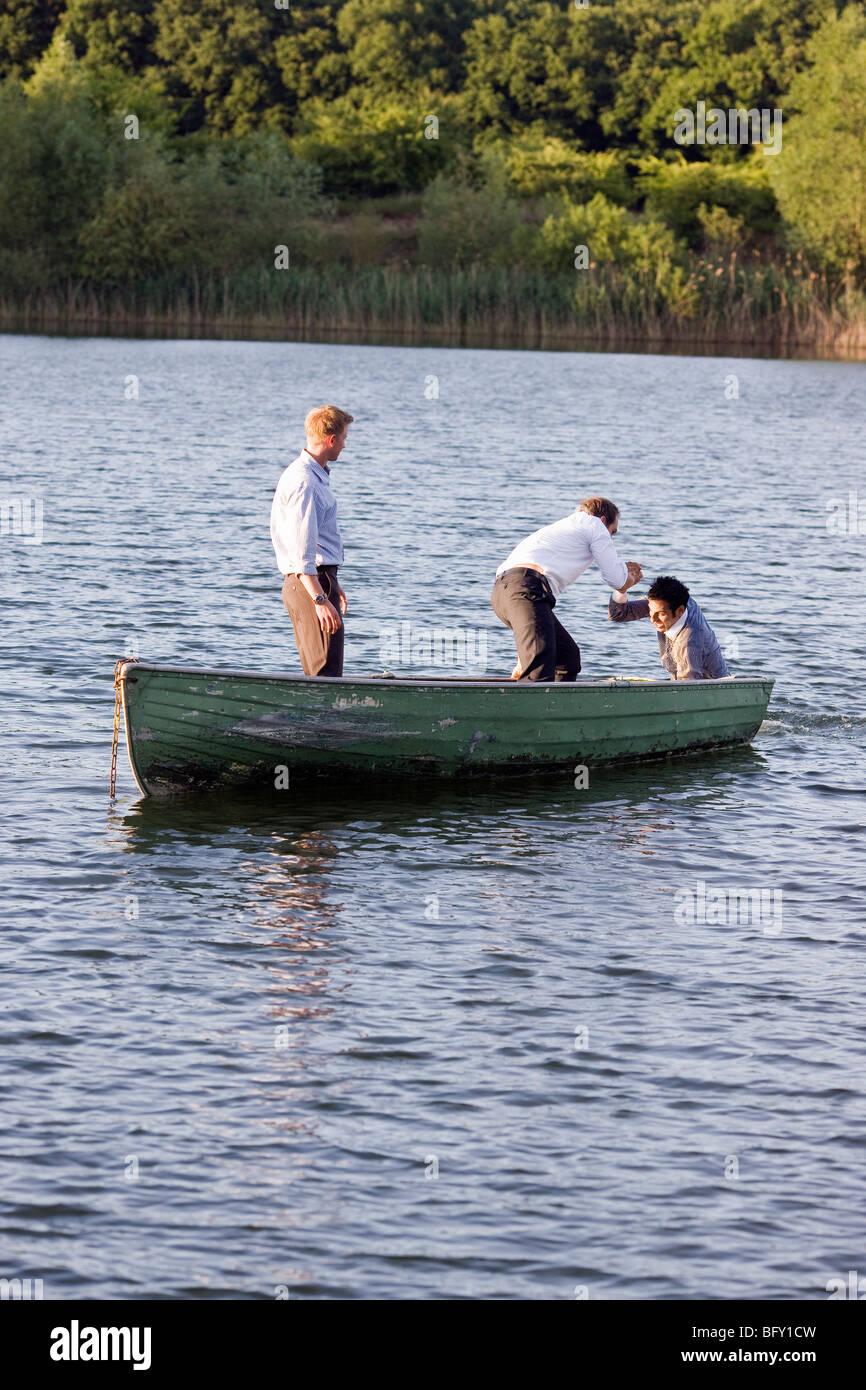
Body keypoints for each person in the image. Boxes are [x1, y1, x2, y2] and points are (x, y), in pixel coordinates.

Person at [491, 497, 643, 681]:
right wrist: (629, 578)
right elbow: (616, 579)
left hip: (506, 593)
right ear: (603, 520)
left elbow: (527, 605)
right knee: (539, 671)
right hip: (525, 591)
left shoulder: (564, 527)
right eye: (612, 532)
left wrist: (523, 656)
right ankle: (531, 704)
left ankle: (556, 705)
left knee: (567, 657)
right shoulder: (595, 525)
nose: (610, 538)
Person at [270, 405, 354, 677]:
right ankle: (322, 721)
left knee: (323, 672)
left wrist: (333, 582)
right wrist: (319, 597)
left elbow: (316, 543)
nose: (344, 444)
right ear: (331, 440)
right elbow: (301, 547)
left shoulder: (310, 476)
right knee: (324, 674)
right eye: (343, 438)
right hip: (310, 582)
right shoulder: (305, 482)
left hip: (316, 579)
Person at [608, 574, 730, 680]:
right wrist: (622, 589)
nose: (653, 619)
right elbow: (618, 614)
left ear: (680, 611)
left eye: (661, 614)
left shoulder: (689, 642)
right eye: (650, 610)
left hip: (710, 690)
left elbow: (687, 690)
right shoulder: (664, 602)